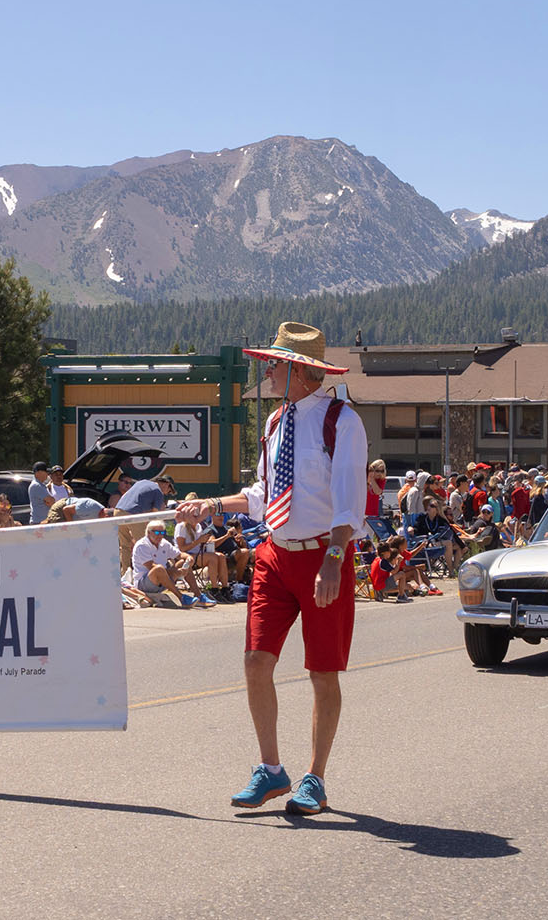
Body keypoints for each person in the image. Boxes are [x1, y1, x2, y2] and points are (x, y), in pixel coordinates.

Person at [174, 321, 367, 816]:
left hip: (324, 555)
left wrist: (334, 558)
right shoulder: (275, 422)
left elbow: (349, 502)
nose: (268, 369)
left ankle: (316, 779)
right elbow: (263, 497)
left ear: (299, 370)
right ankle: (271, 769)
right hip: (275, 556)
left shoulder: (342, 421)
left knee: (322, 673)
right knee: (256, 660)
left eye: (275, 363)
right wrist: (214, 505)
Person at [132, 519, 208, 608]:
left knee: (183, 562)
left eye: (162, 532)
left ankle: (198, 595)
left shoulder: (164, 543)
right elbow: (151, 567)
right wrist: (176, 573)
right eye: (156, 533)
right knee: (159, 569)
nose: (159, 535)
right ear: (149, 532)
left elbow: (179, 554)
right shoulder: (142, 545)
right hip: (144, 583)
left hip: (162, 579)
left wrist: (188, 558)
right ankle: (181, 597)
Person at [116, 473, 177, 572]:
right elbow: (155, 516)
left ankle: (125, 574)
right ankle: (148, 573)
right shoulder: (158, 491)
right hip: (133, 515)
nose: (167, 493)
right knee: (146, 543)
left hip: (118, 511)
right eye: (169, 491)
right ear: (166, 484)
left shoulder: (143, 482)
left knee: (125, 546)